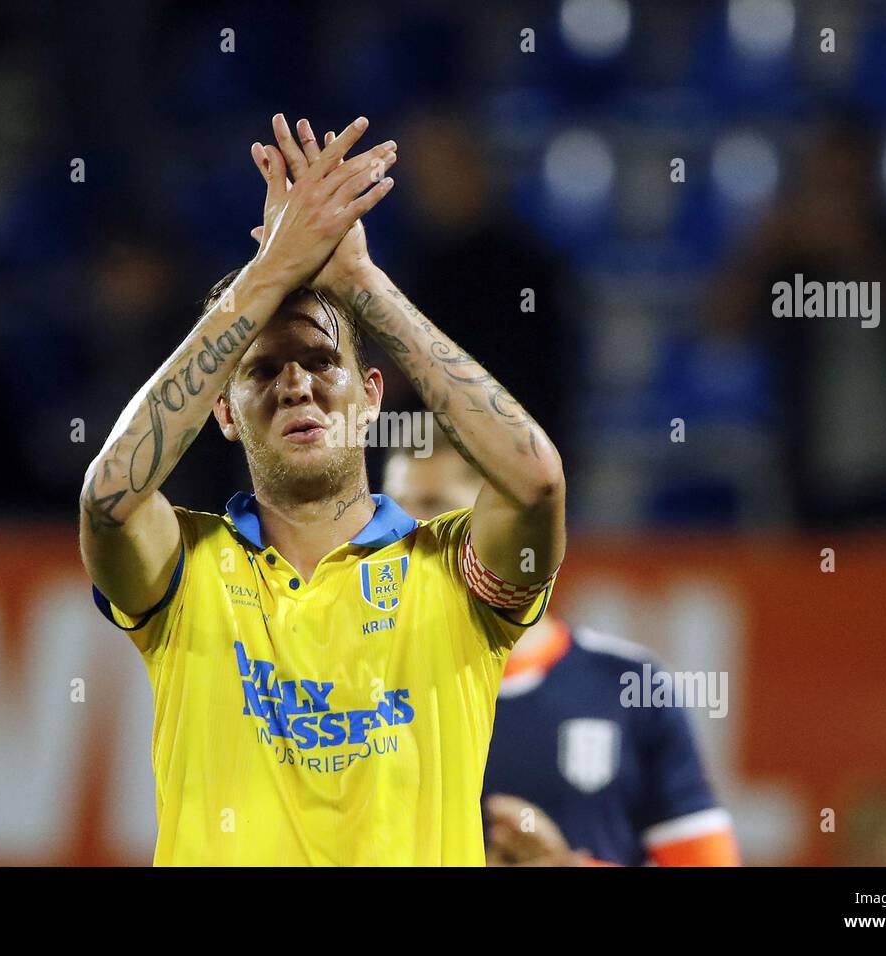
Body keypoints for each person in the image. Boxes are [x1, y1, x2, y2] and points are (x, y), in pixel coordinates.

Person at [79, 114, 566, 865]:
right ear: (224, 414)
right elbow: (108, 501)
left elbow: (535, 483)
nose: (297, 384)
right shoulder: (187, 571)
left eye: (319, 359)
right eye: (263, 370)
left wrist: (360, 284)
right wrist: (271, 271)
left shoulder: (453, 575)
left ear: (373, 396)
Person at [385, 439, 738, 866]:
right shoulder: (350, 683)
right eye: (391, 509)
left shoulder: (629, 686)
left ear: (509, 520)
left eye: (431, 506)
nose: (402, 533)